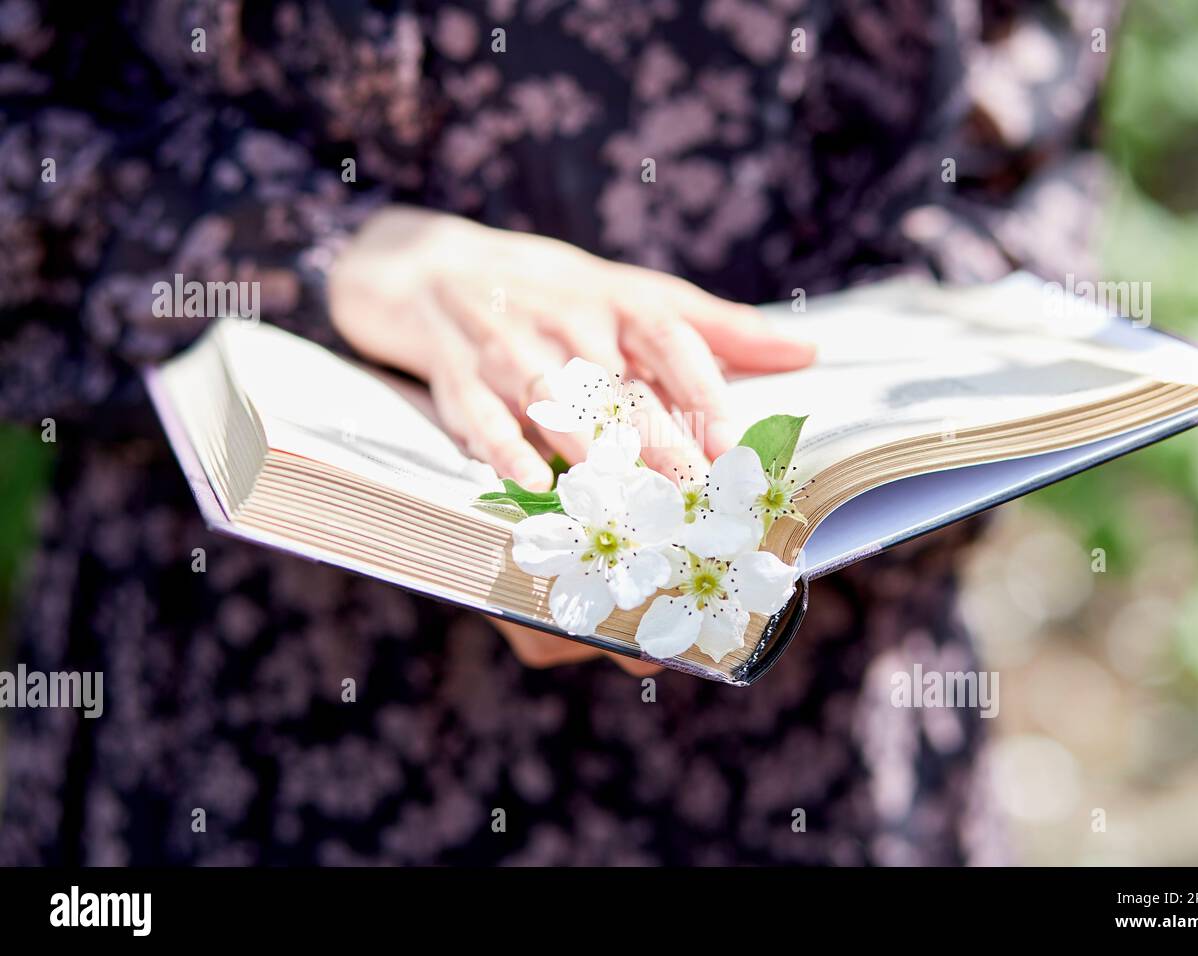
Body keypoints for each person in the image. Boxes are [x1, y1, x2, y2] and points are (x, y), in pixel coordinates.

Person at [0, 0, 1111, 865]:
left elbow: (1027, 153)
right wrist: (341, 254)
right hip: (248, 721)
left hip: (808, 737)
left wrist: (841, 451)